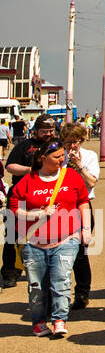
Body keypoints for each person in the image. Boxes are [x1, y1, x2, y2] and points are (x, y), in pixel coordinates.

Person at [7, 141, 91, 338]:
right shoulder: (27, 180)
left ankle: (59, 319)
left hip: (66, 239)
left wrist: (85, 229)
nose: (61, 160)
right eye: (56, 157)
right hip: (33, 241)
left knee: (61, 280)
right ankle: (38, 322)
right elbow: (13, 209)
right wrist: (36, 214)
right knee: (37, 286)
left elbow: (83, 202)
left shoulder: (70, 176)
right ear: (43, 159)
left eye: (63, 156)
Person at [3, 113, 59, 287]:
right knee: (13, 235)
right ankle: (10, 272)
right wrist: (30, 170)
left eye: (51, 130)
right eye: (44, 131)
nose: (48, 134)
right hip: (21, 197)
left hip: (48, 199)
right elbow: (10, 166)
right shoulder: (25, 146)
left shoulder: (57, 146)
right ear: (36, 130)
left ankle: (46, 271)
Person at [59, 122, 100, 310]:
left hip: (81, 206)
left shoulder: (90, 156)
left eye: (75, 142)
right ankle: (59, 292)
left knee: (81, 253)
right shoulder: (58, 156)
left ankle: (82, 292)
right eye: (68, 142)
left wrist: (78, 165)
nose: (72, 146)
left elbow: (92, 182)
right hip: (60, 207)